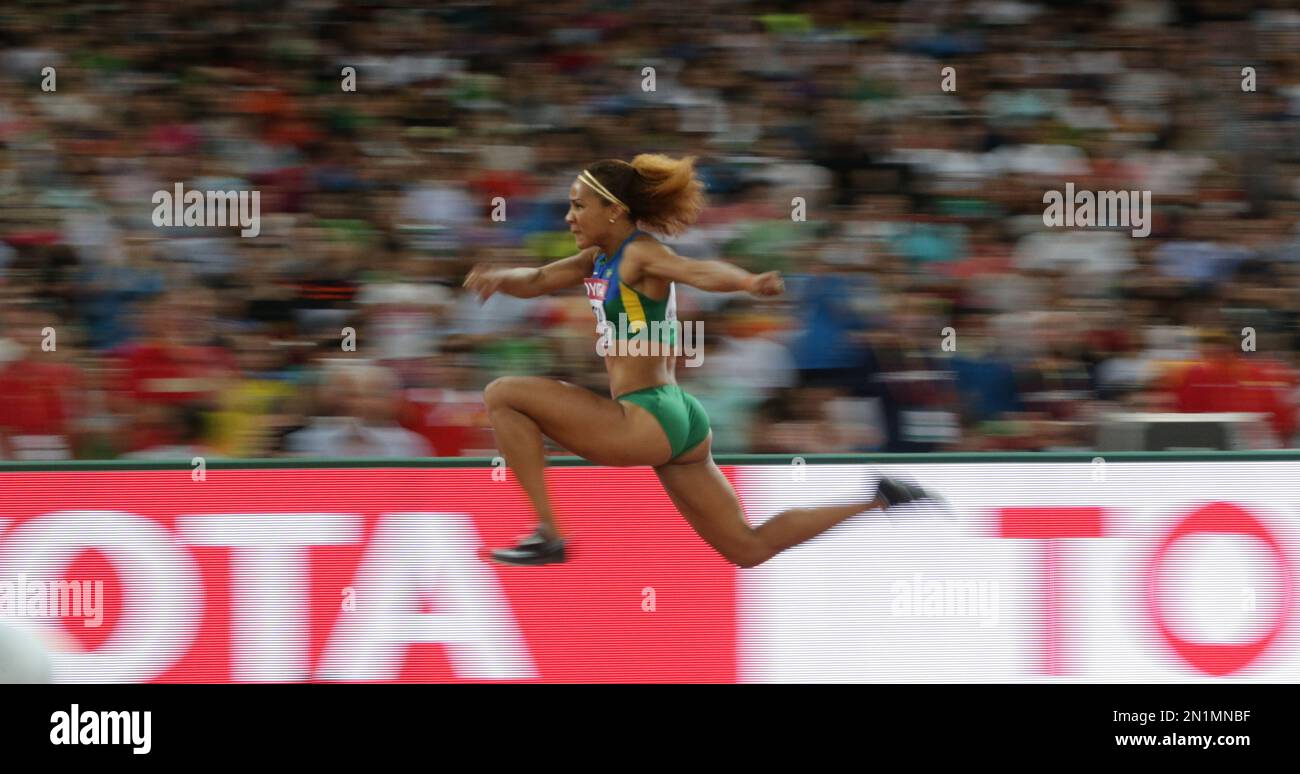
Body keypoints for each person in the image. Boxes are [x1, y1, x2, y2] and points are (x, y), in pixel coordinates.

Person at [463, 154, 938, 567]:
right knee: (747, 548)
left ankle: (548, 533)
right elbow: (538, 279)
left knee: (503, 394)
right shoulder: (597, 259)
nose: (568, 216)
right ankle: (881, 498)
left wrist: (748, 283)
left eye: (578, 205)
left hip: (645, 417)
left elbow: (696, 271)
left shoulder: (640, 254)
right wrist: (498, 276)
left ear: (615, 211)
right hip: (680, 419)